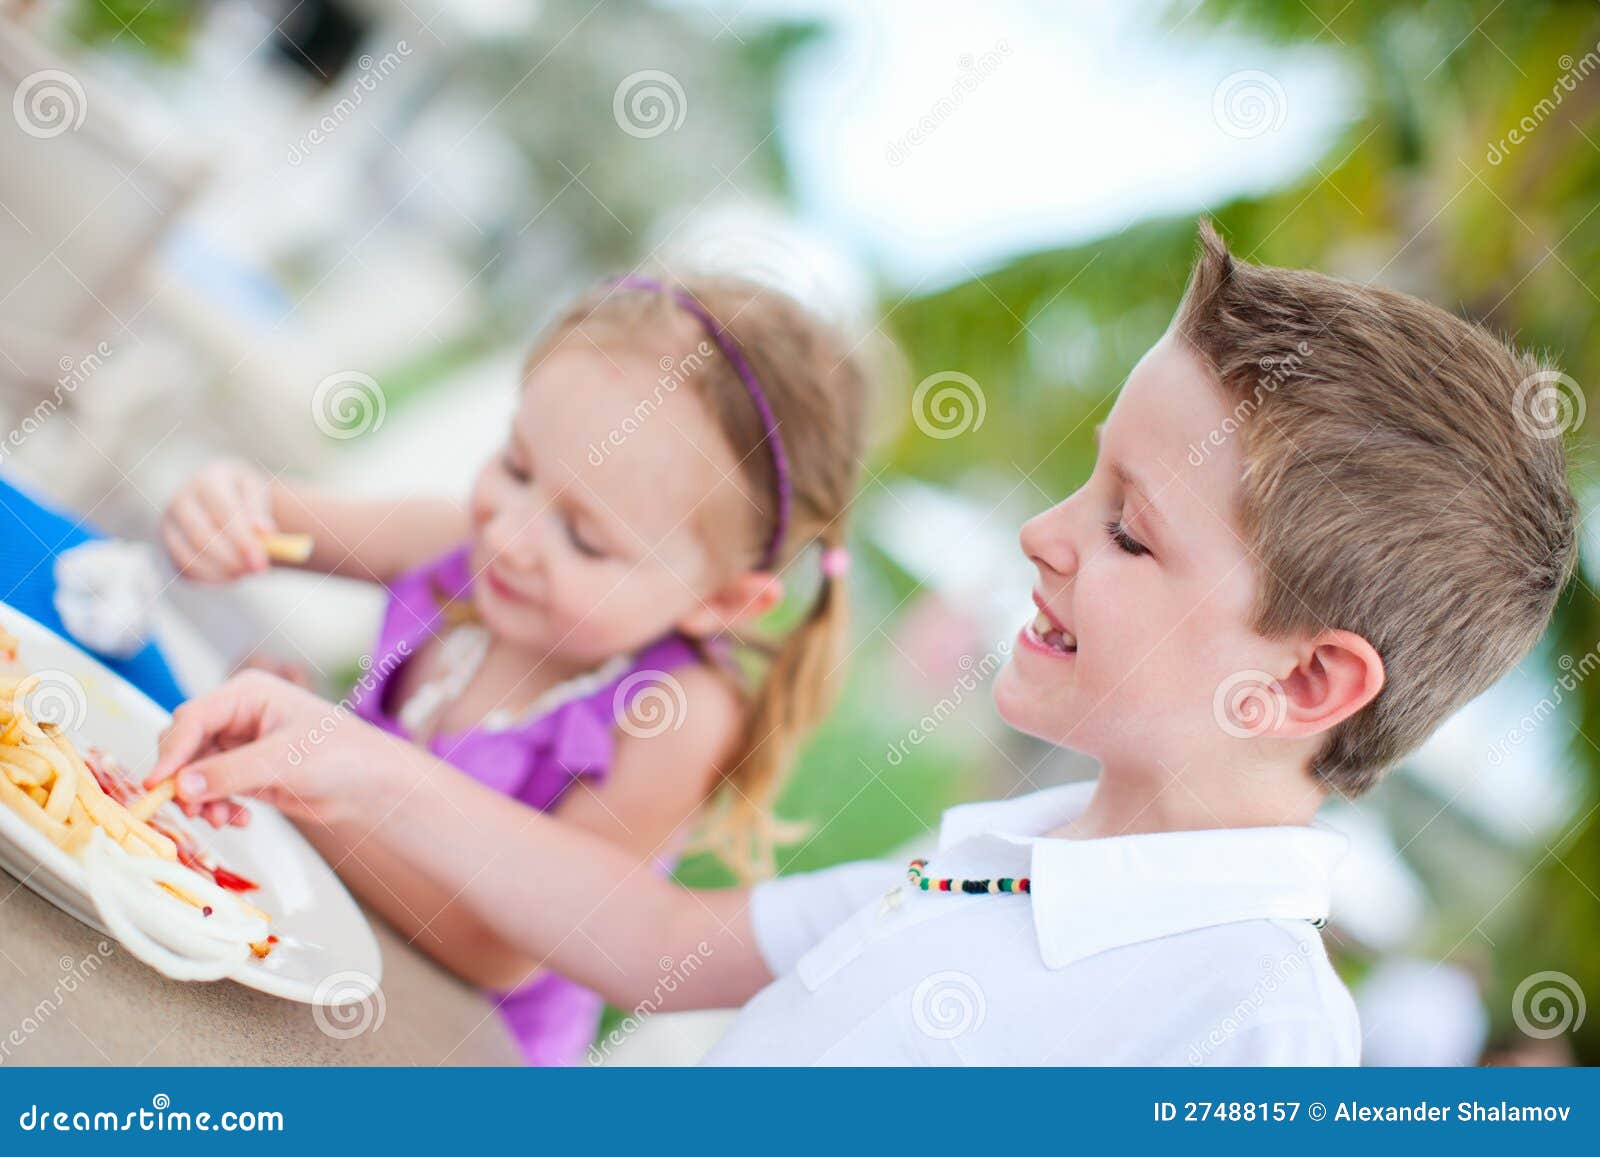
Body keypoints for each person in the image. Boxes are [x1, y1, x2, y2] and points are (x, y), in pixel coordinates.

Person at [149, 223, 1575, 1064]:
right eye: (1086, 480)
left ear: (1308, 683)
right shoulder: (995, 854)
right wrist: (352, 763)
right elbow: (658, 944)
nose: (1045, 533)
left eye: (1131, 530)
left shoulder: (1247, 1022)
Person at [157, 275, 869, 1064]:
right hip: (289, 929)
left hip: (440, 1045)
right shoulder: (452, 546)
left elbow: (495, 948)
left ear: (725, 599)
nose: (512, 535)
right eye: (518, 464)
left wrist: (308, 785)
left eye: (586, 539)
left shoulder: (672, 714)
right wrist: (218, 508)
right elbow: (268, 515)